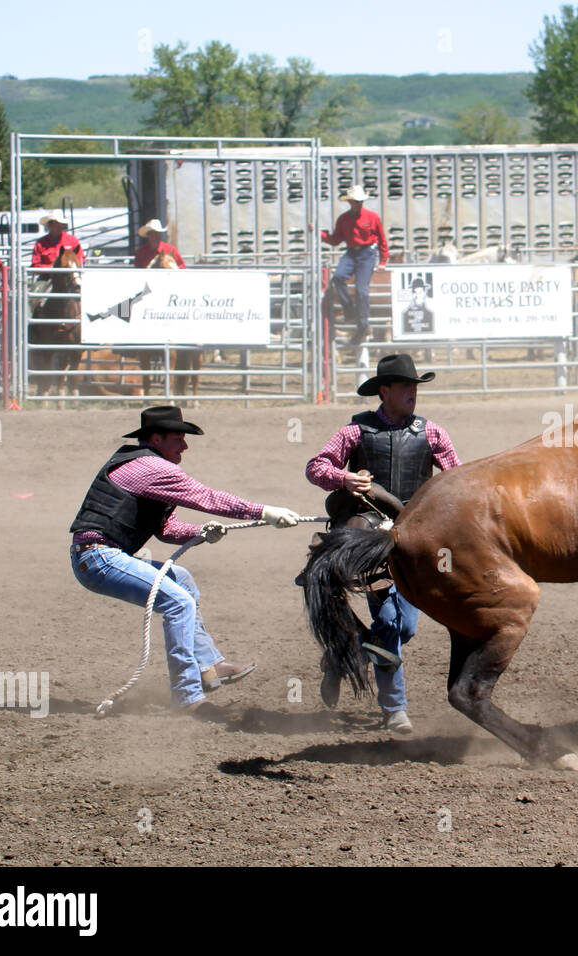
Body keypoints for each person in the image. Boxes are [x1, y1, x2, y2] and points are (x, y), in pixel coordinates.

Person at [69, 406, 302, 712]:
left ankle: (208, 666)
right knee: (179, 603)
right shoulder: (153, 469)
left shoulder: (145, 466)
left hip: (99, 556)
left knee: (183, 581)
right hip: (99, 556)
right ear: (156, 438)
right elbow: (208, 498)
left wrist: (200, 532)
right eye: (178, 438)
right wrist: (264, 512)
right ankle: (187, 694)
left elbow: (166, 529)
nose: (185, 445)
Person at [305, 353, 461, 732]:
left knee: (404, 627)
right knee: (390, 622)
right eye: (405, 386)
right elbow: (316, 467)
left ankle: (346, 653)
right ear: (385, 391)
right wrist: (344, 480)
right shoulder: (355, 432)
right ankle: (395, 710)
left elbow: (457, 477)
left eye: (415, 387)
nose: (412, 393)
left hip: (415, 536)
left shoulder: (433, 433)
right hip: (370, 534)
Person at [322, 184, 389, 346]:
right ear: (350, 201)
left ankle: (363, 323)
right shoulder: (344, 219)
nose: (359, 204)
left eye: (360, 201)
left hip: (367, 253)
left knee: (361, 289)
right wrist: (321, 235)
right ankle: (349, 310)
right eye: (356, 201)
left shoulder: (372, 217)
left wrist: (383, 260)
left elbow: (381, 239)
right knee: (337, 277)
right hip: (352, 252)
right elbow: (336, 239)